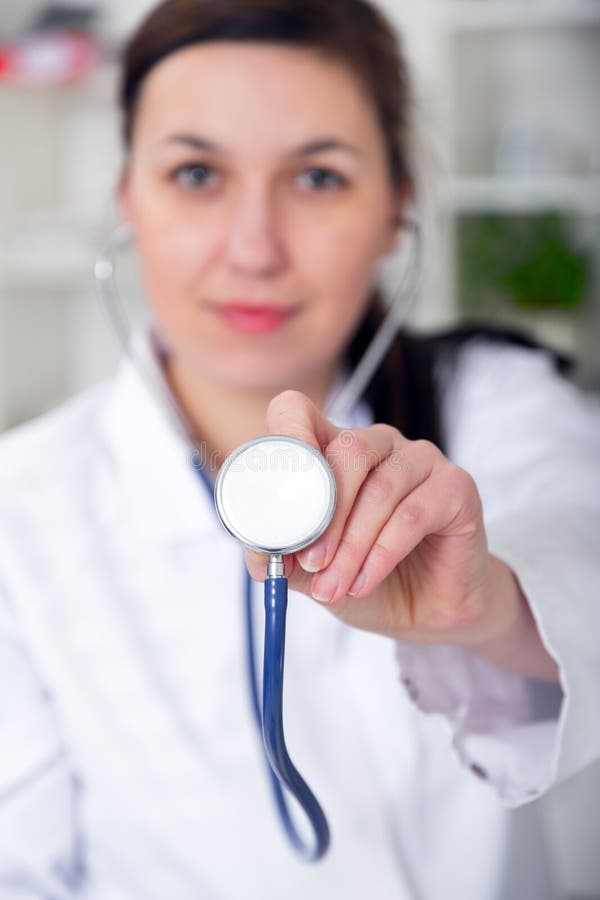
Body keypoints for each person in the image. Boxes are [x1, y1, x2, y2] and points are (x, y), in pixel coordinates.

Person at [0, 0, 599, 897]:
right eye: (196, 173)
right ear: (129, 196)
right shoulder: (23, 503)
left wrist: (488, 610)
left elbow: (583, 555)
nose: (254, 249)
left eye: (317, 178)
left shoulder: (501, 402)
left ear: (398, 203)